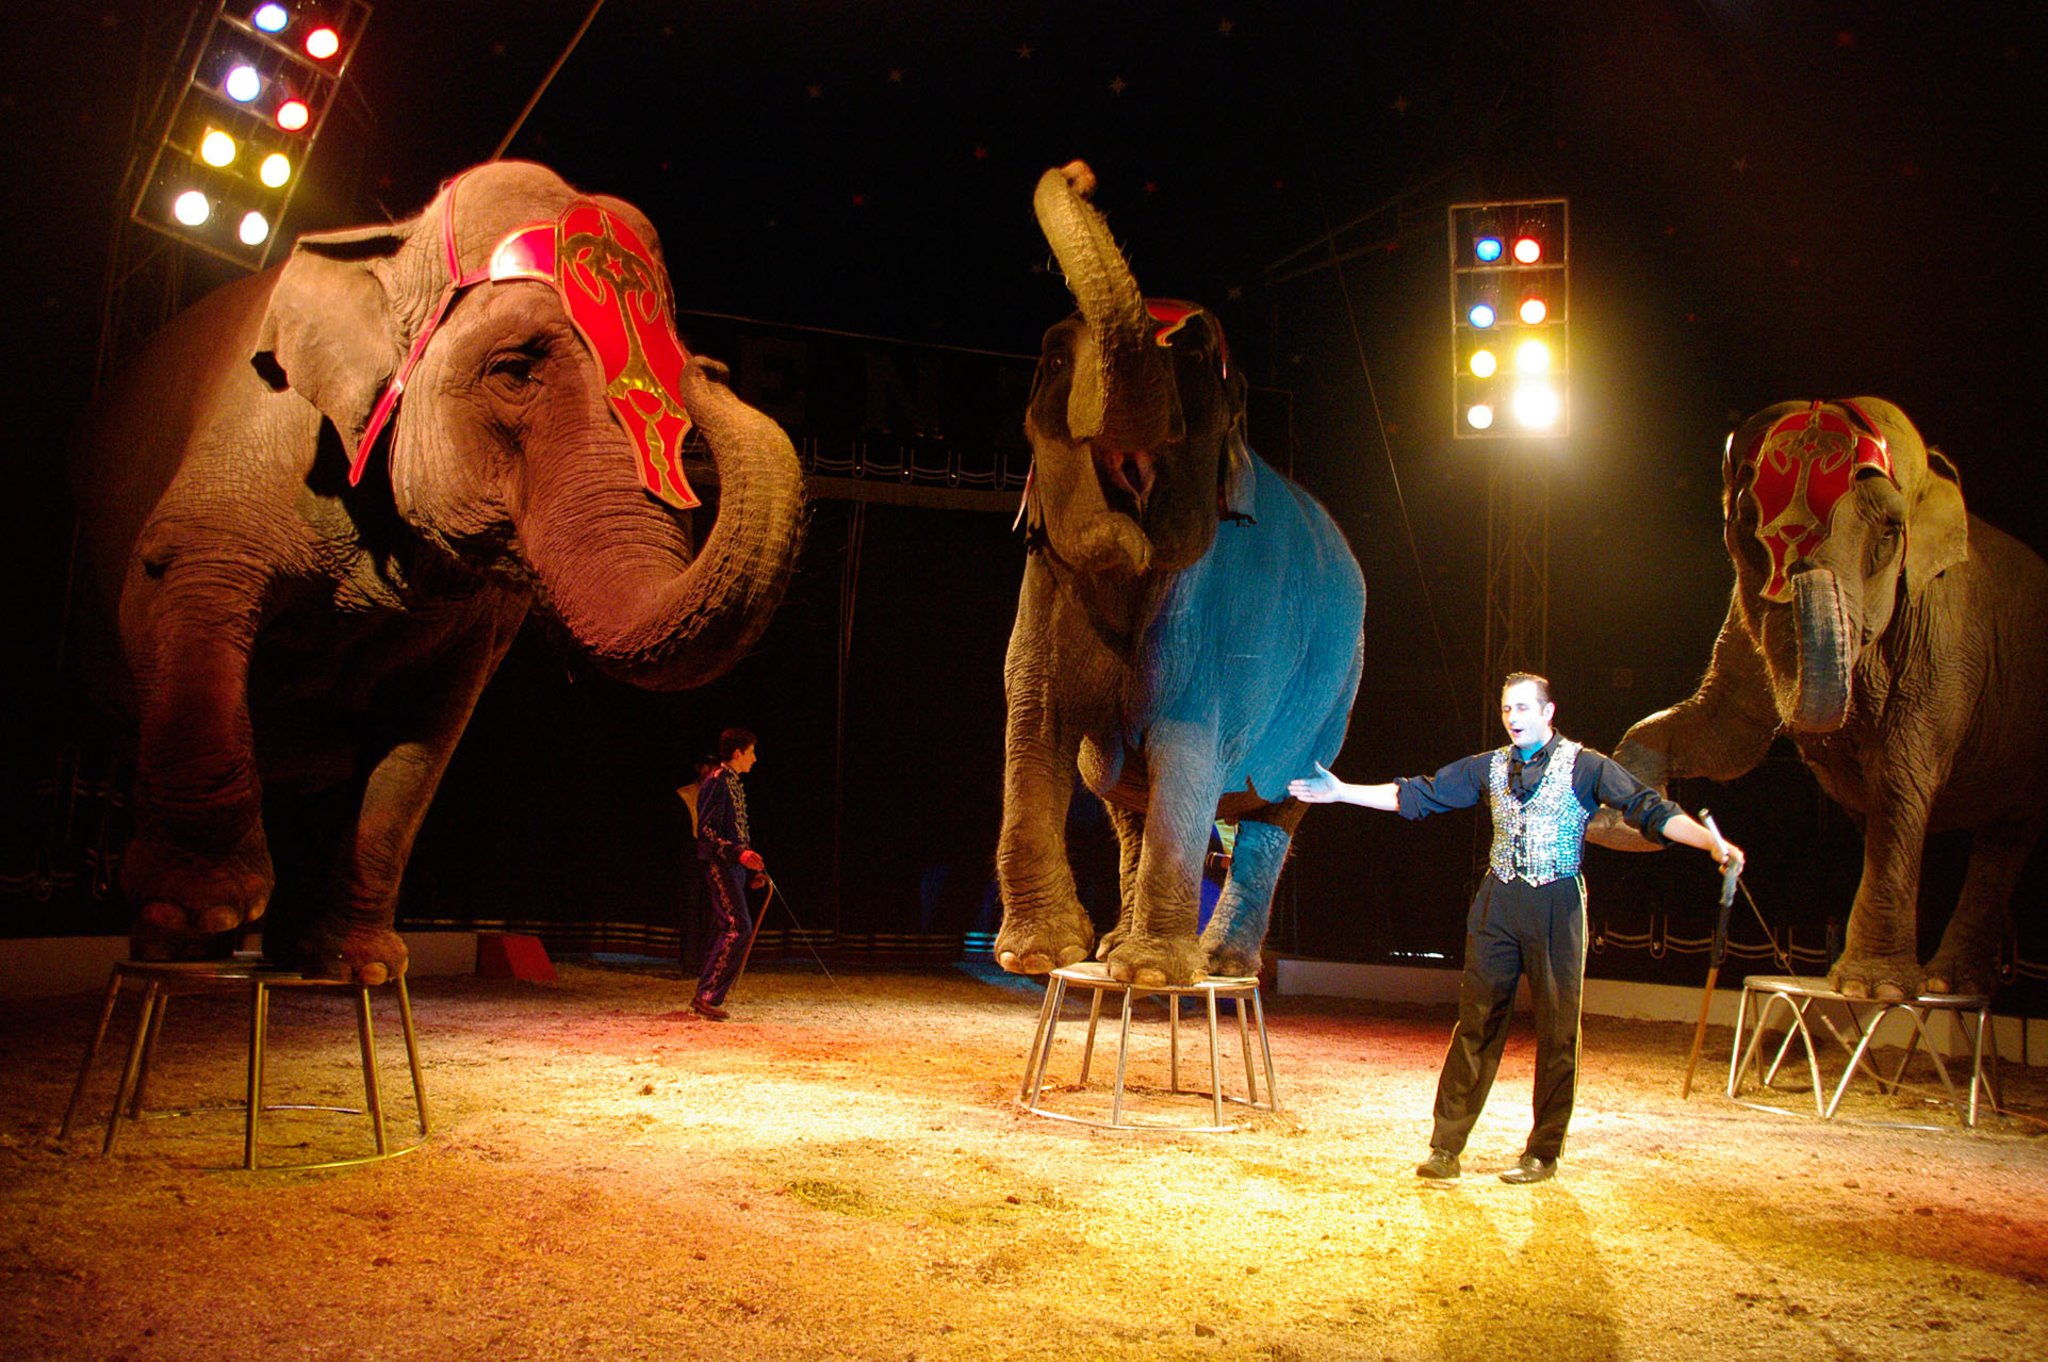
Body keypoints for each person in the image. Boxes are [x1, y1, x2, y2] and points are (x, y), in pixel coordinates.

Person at [1288, 673, 1742, 1185]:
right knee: (1477, 1022)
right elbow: (1419, 795)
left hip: (1557, 903)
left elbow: (1649, 809)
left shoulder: (1586, 766)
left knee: (1556, 1030)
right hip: (1498, 901)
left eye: (1524, 708)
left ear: (1549, 713)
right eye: (1507, 709)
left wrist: (1709, 843)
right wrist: (1342, 791)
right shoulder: (1490, 766)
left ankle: (1542, 1152)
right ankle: (1445, 1148)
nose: (1514, 718)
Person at [692, 728, 765, 1021]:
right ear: (737, 753)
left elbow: (734, 832)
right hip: (719, 864)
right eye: (751, 752)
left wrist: (748, 870)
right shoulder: (718, 783)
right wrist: (739, 855)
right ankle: (707, 995)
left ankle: (707, 995)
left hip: (732, 866)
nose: (754, 759)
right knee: (737, 927)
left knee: (732, 928)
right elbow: (707, 833)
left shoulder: (733, 783)